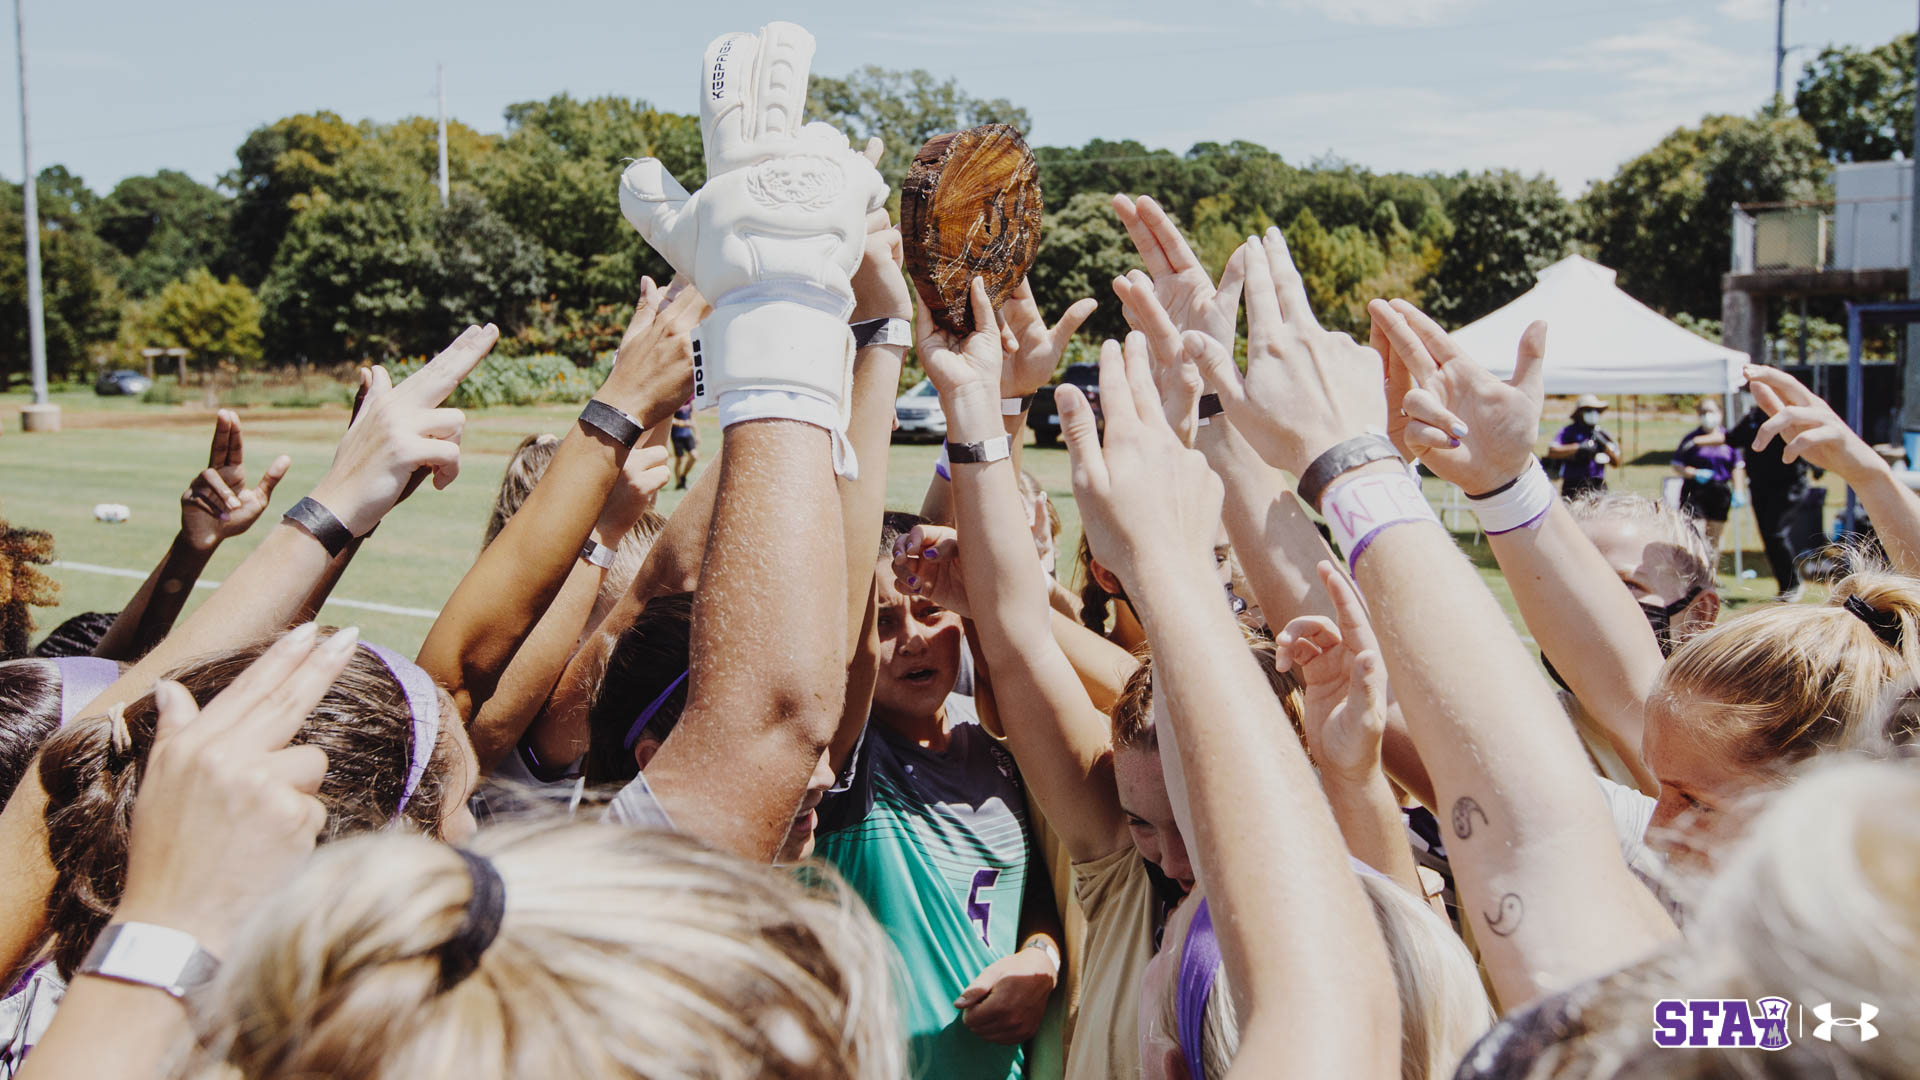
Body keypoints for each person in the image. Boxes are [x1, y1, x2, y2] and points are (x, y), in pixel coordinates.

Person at [815, 502, 1060, 1080]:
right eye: (882, 623)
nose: (914, 641)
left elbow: (1037, 894)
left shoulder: (1001, 743)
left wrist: (1042, 958)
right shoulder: (845, 758)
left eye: (931, 612)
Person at [1726, 400, 1812, 601]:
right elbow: (1732, 438)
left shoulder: (1789, 415)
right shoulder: (1753, 417)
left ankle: (1793, 584)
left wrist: (1816, 467)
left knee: (1776, 533)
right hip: (1759, 486)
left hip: (1788, 486)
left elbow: (1805, 443)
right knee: (1768, 536)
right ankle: (1785, 585)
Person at [1670, 398, 1739, 557]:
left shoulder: (1728, 439)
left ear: (1720, 413)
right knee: (1695, 533)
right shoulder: (1691, 439)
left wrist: (1738, 490)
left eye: (1711, 411)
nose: (1707, 416)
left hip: (1720, 490)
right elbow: (1677, 464)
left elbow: (1737, 466)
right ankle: (1695, 576)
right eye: (1703, 412)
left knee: (1714, 538)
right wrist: (1695, 473)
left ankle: (1711, 577)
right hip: (1695, 490)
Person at [1546, 395, 1618, 499]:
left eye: (1596, 411)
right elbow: (1552, 451)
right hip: (1573, 484)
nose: (1593, 414)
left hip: (1597, 484)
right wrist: (1578, 448)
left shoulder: (1601, 433)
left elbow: (1616, 462)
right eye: (1589, 410)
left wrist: (1605, 447)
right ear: (1579, 413)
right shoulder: (1569, 431)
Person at [669, 402, 697, 489]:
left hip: (688, 434)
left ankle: (683, 476)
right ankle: (679, 483)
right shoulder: (675, 403)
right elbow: (670, 420)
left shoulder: (689, 404)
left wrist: (697, 433)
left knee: (694, 456)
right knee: (679, 460)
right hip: (677, 435)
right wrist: (682, 423)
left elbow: (692, 418)